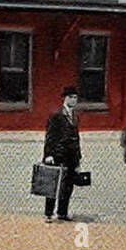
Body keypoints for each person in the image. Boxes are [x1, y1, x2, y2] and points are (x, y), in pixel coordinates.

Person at [42, 85, 82, 222]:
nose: (74, 100)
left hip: (71, 156)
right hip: (58, 155)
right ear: (65, 98)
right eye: (71, 97)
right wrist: (48, 155)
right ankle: (48, 213)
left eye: (75, 97)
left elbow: (77, 139)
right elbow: (50, 136)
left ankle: (62, 212)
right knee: (54, 184)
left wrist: (78, 160)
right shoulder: (57, 115)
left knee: (68, 186)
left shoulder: (75, 117)